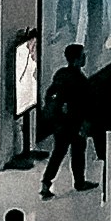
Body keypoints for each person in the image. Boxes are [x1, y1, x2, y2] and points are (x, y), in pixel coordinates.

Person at [40, 47, 94, 197]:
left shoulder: (61, 74)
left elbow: (51, 95)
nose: (85, 58)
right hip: (75, 123)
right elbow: (84, 104)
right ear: (76, 59)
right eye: (82, 56)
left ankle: (46, 182)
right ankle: (79, 182)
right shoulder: (79, 80)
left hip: (60, 123)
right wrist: (85, 123)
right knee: (78, 153)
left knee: (58, 153)